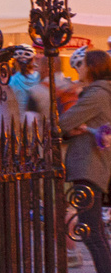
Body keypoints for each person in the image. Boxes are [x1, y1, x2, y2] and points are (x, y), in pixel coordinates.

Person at [60, 49, 111, 272]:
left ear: (91, 68)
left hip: (89, 166)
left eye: (80, 64)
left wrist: (69, 128)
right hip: (94, 166)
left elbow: (63, 122)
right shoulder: (100, 92)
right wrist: (72, 130)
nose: (77, 68)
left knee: (91, 233)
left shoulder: (97, 94)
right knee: (96, 233)